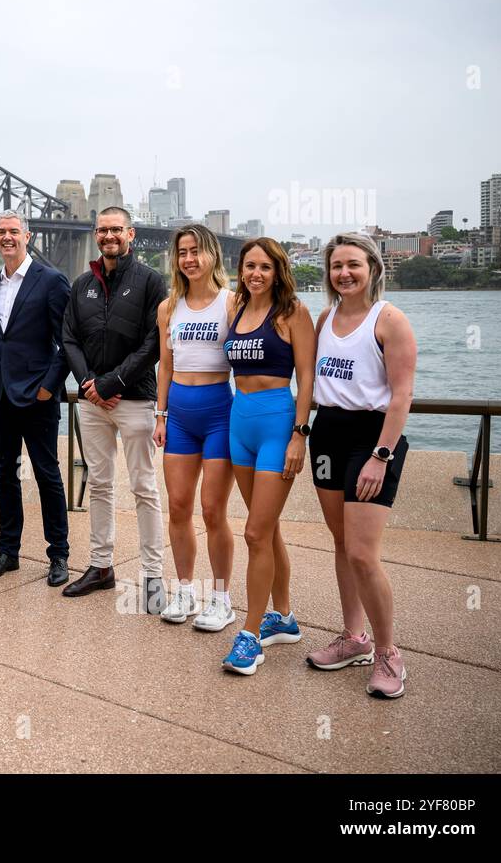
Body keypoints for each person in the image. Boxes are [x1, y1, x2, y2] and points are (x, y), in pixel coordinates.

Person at [307, 233, 415, 698]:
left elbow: (401, 395)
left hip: (371, 441)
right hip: (328, 432)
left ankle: (389, 653)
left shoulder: (389, 320)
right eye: (336, 266)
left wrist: (381, 456)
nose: (344, 273)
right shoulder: (325, 317)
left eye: (353, 264)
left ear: (372, 267)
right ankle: (355, 639)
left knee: (363, 553)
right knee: (340, 541)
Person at [61, 206, 168, 611]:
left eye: (116, 230)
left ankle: (153, 577)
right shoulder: (82, 284)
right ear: (95, 234)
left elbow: (153, 343)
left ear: (131, 234)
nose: (109, 236)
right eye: (103, 230)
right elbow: (68, 337)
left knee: (144, 487)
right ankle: (100, 567)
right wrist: (90, 384)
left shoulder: (150, 281)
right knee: (100, 486)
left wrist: (112, 382)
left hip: (135, 398)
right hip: (92, 403)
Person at [220, 237, 316, 675]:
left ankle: (251, 634)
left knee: (255, 534)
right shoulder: (235, 308)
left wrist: (300, 435)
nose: (256, 273)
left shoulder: (293, 313)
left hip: (278, 422)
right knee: (269, 528)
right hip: (240, 422)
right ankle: (285, 617)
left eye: (265, 267)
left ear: (278, 271)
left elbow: (308, 379)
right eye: (249, 266)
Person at [0, 209, 72, 586]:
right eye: (1, 232)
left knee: (48, 475)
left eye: (13, 231)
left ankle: (59, 554)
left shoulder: (50, 281)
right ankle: (8, 550)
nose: (7, 238)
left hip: (37, 397)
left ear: (27, 236)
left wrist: (49, 387)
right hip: (0, 395)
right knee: (4, 476)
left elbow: (66, 342)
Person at [151, 225, 237, 631]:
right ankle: (185, 589)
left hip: (220, 411)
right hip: (181, 415)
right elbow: (165, 366)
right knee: (180, 506)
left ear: (212, 255)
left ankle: (221, 598)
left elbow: (248, 360)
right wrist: (161, 415)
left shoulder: (231, 303)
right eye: (182, 252)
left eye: (196, 251)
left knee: (212, 510)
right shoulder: (169, 307)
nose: (189, 259)